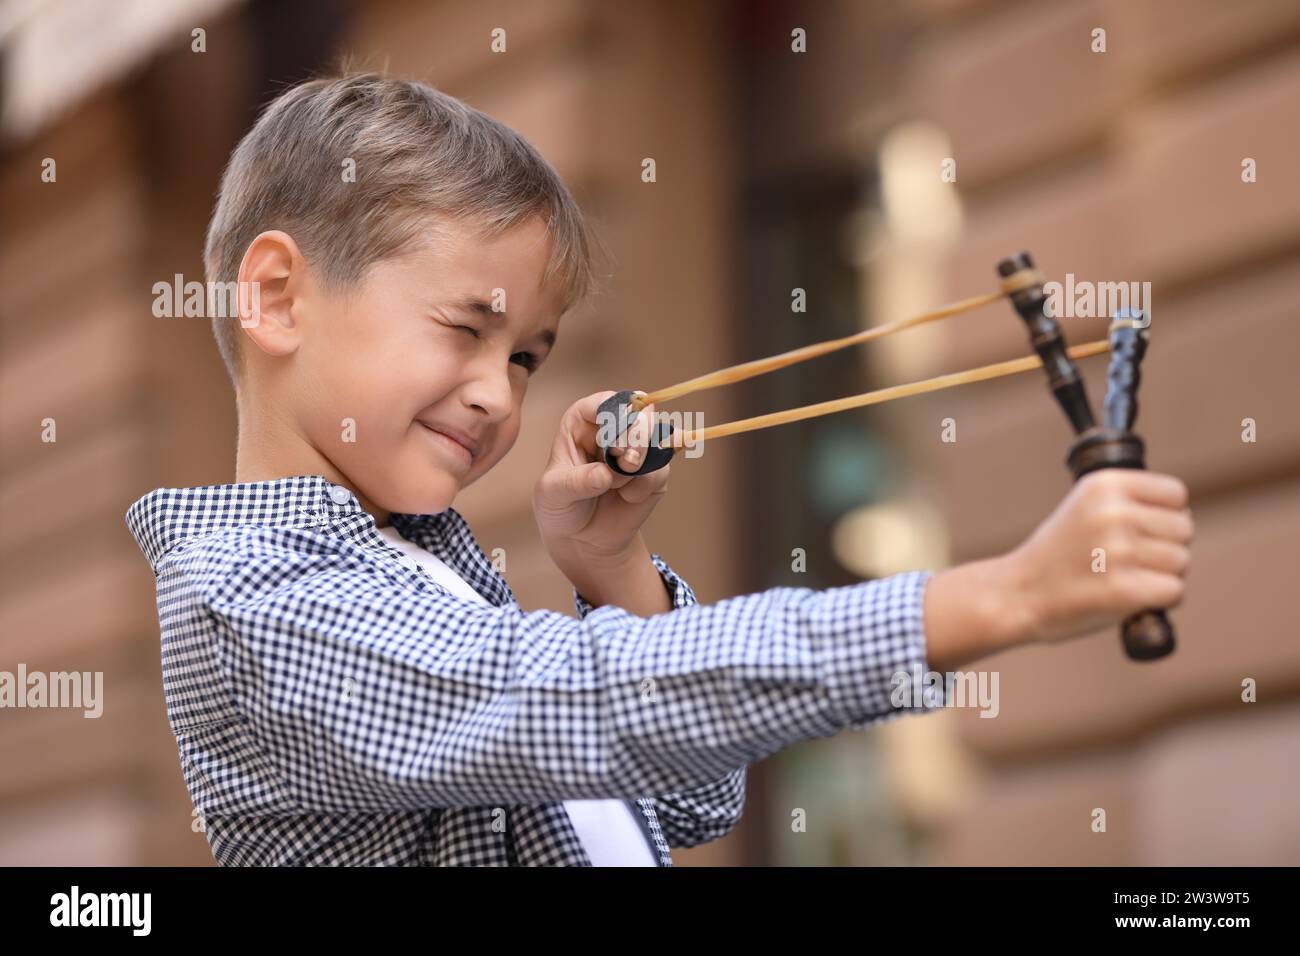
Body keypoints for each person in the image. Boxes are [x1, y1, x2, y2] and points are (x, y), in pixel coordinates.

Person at [125, 72, 1192, 866]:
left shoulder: (414, 567)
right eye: (464, 326)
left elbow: (686, 797)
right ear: (275, 297)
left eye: (527, 357)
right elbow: (584, 703)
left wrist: (611, 570)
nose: (501, 394)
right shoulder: (252, 599)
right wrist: (1001, 595)